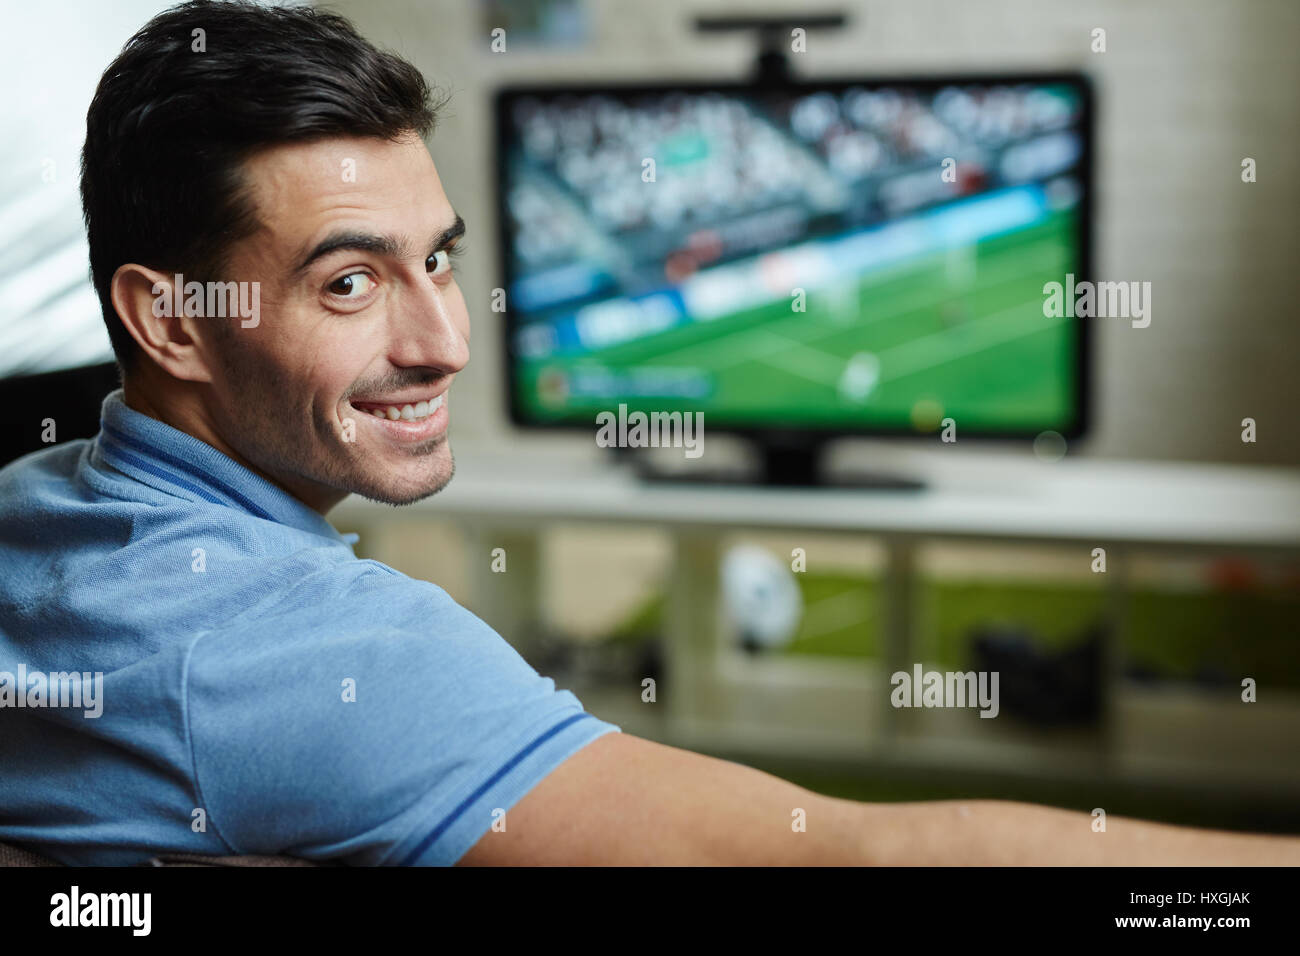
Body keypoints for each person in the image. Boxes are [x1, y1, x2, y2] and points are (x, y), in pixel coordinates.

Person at [0, 0, 1294, 866]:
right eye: (350, 283)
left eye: (439, 263)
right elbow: (864, 855)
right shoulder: (326, 657)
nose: (445, 343)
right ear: (168, 324)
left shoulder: (35, 504)